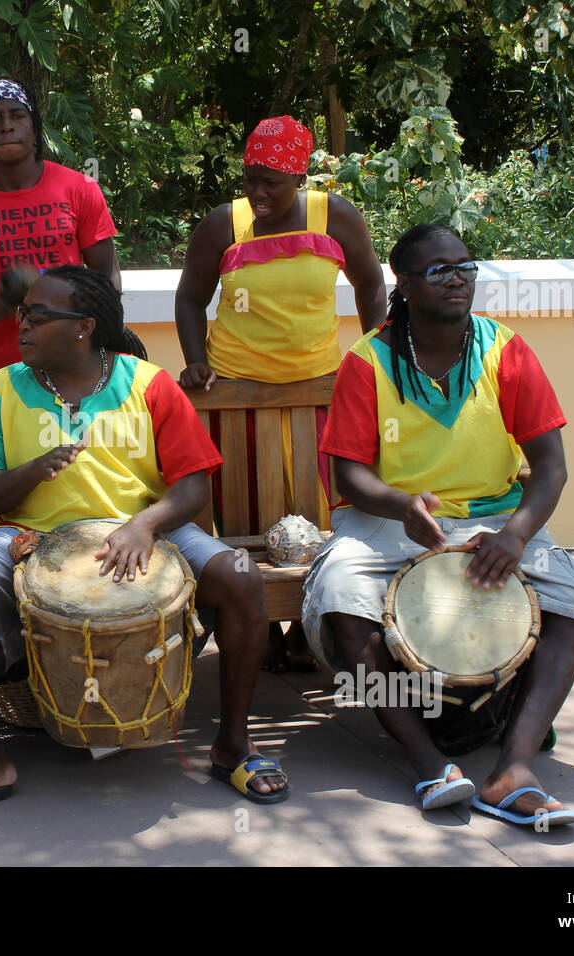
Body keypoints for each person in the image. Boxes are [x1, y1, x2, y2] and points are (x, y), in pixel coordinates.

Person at [0, 265, 289, 822]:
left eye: (39, 316)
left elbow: (192, 484)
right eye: (23, 312)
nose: (23, 324)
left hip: (148, 527)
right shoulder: (3, 387)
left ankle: (233, 744)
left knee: (240, 576)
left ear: (84, 327)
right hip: (33, 535)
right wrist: (34, 469)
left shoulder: (148, 383)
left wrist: (144, 524)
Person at [300, 223, 574, 827]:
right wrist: (402, 505)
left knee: (573, 604)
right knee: (340, 598)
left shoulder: (506, 349)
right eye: (439, 270)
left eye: (466, 266)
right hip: (392, 521)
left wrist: (517, 532)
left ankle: (514, 767)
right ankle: (428, 763)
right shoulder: (369, 361)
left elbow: (550, 467)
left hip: (494, 518)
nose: (458, 278)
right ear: (405, 284)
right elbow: (350, 478)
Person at [174, 114, 387, 672]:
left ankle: (304, 626)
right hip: (236, 390)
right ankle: (259, 628)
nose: (258, 192)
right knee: (245, 510)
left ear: (301, 176)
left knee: (316, 510)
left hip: (321, 389)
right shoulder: (225, 224)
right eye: (250, 178)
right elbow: (190, 297)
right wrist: (196, 361)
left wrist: (376, 353)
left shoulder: (334, 216)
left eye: (272, 180)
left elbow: (369, 282)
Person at [0, 77, 121, 388]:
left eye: (17, 115)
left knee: (82, 440)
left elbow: (108, 277)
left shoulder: (79, 189)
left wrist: (99, 333)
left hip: (76, 367)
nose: (7, 126)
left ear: (34, 127)